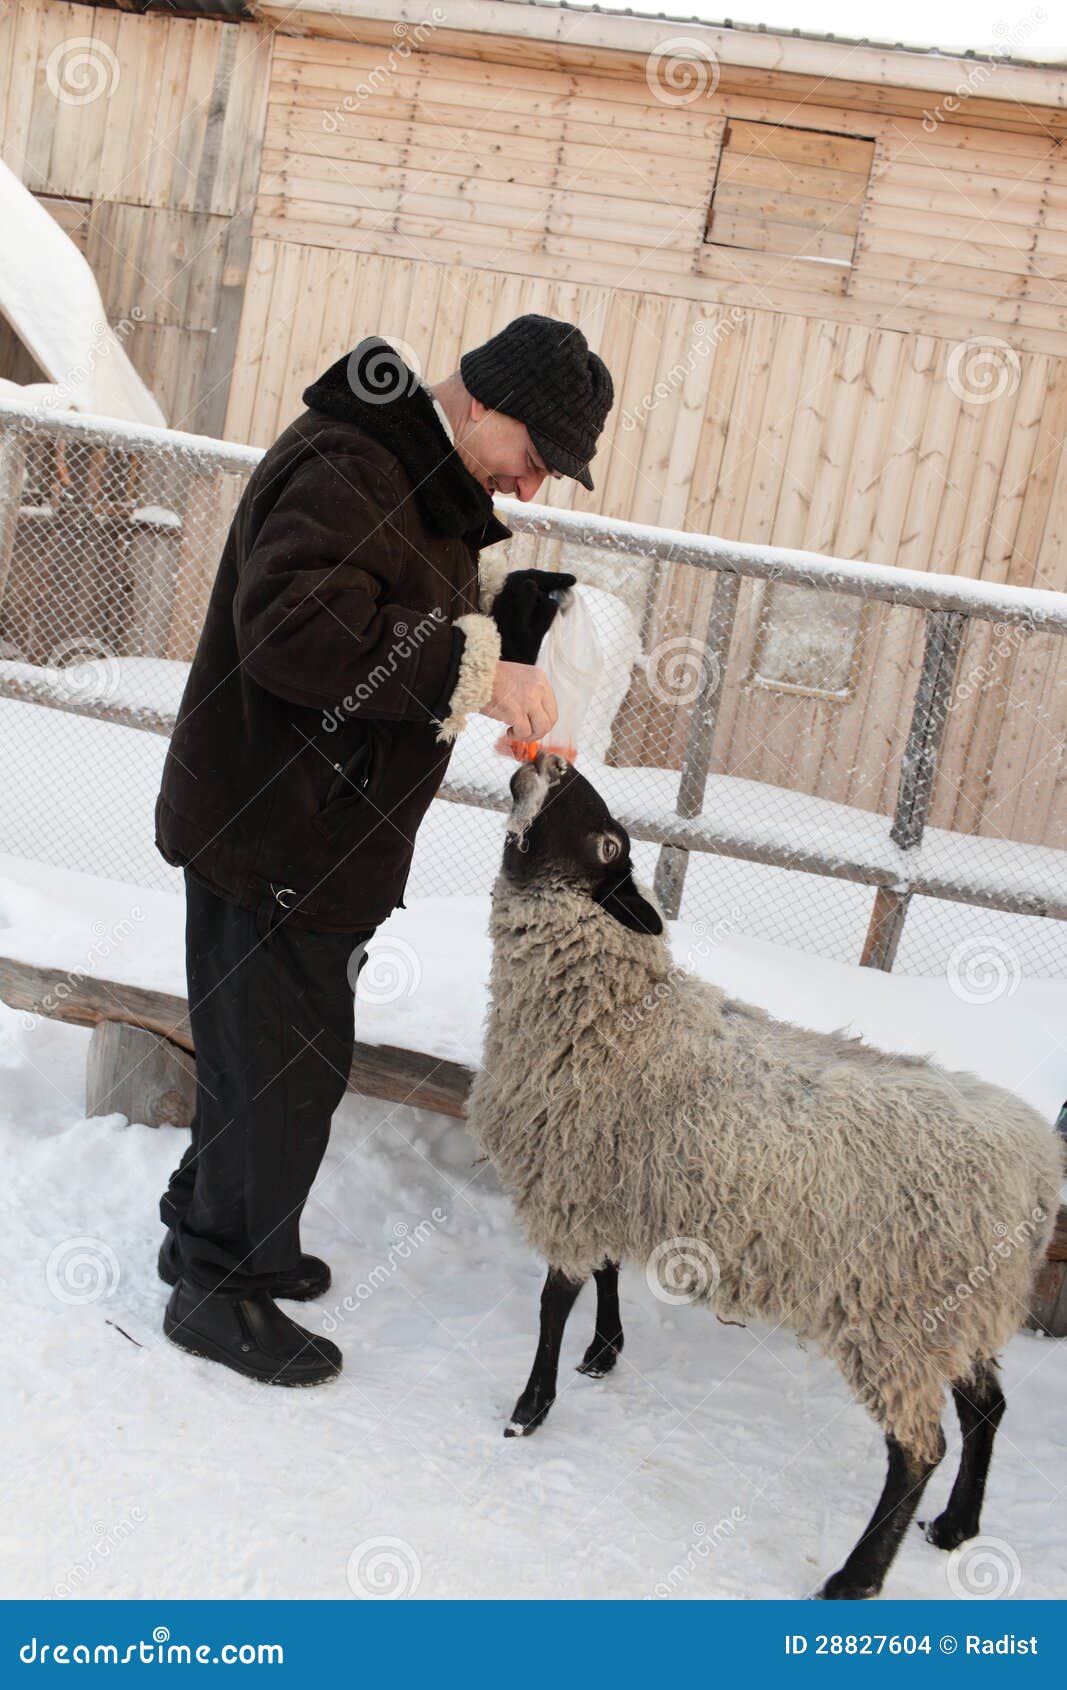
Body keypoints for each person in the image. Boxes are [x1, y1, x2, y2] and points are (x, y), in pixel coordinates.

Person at [152, 314, 615, 1386]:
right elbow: (295, 632)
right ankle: (219, 1290)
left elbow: (395, 601)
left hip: (310, 829)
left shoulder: (407, 476)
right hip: (278, 827)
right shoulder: (351, 462)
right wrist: (470, 669)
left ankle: (207, 1231)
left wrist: (512, 632)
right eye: (536, 460)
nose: (533, 489)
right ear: (488, 404)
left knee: (262, 1055)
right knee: (280, 1071)